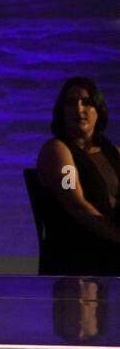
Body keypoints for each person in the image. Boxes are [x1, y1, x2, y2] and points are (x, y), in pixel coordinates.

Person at [35, 77, 120, 275]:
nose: (79, 109)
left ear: (98, 110)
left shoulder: (113, 153)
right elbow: (75, 203)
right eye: (71, 103)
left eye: (87, 102)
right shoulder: (57, 151)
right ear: (61, 111)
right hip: (79, 251)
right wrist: (116, 235)